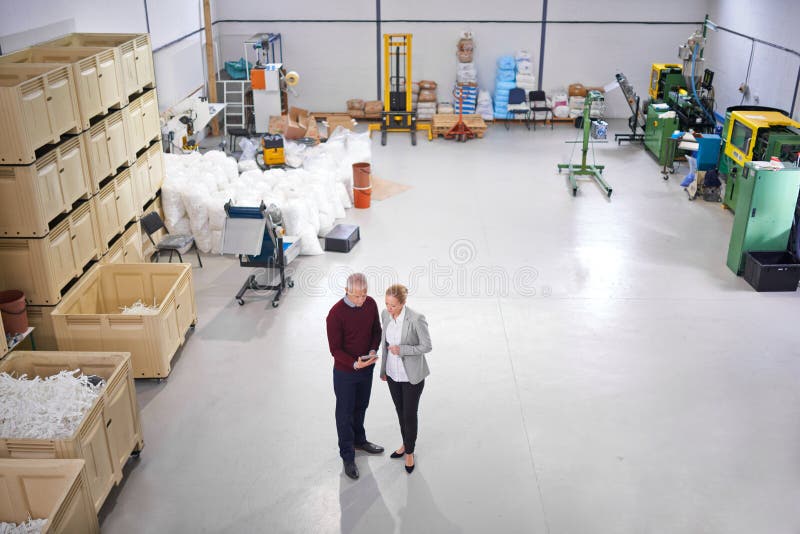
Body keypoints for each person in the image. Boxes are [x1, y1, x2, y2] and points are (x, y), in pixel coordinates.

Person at [326, 273, 384, 480]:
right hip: (345, 373)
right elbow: (335, 350)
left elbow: (376, 331)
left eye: (364, 295)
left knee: (361, 407)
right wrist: (353, 363)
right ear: (346, 292)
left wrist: (371, 350)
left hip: (366, 368)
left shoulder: (370, 304)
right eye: (356, 296)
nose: (361, 300)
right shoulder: (335, 314)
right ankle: (347, 455)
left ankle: (360, 441)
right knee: (344, 413)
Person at [379, 284, 432, 474]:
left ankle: (409, 452)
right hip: (393, 374)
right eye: (386, 304)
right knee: (400, 411)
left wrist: (403, 350)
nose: (389, 308)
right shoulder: (385, 315)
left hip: (411, 376)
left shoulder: (416, 319)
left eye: (393, 305)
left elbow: (426, 346)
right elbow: (384, 344)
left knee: (409, 414)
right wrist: (383, 369)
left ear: (403, 303)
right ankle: (405, 442)